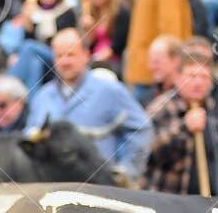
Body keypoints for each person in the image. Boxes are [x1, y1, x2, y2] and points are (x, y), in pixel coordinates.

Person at [26, 29, 150, 181]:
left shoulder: (109, 90)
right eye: (59, 56)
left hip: (97, 185)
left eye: (70, 55)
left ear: (86, 55)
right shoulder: (42, 96)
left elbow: (141, 128)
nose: (64, 62)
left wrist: (127, 171)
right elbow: (29, 138)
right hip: (51, 186)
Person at [144, 51, 218, 197]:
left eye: (204, 77)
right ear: (178, 78)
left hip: (206, 200)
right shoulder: (162, 107)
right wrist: (184, 128)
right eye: (192, 76)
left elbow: (217, 161)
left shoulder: (210, 109)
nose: (198, 83)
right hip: (167, 199)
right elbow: (148, 151)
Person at [0, 0, 77, 94]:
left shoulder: (66, 10)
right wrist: (27, 20)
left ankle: (5, 89)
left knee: (29, 46)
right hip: (39, 58)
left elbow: (66, 41)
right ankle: (32, 101)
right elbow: (28, 37)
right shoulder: (33, 10)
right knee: (35, 63)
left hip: (58, 56)